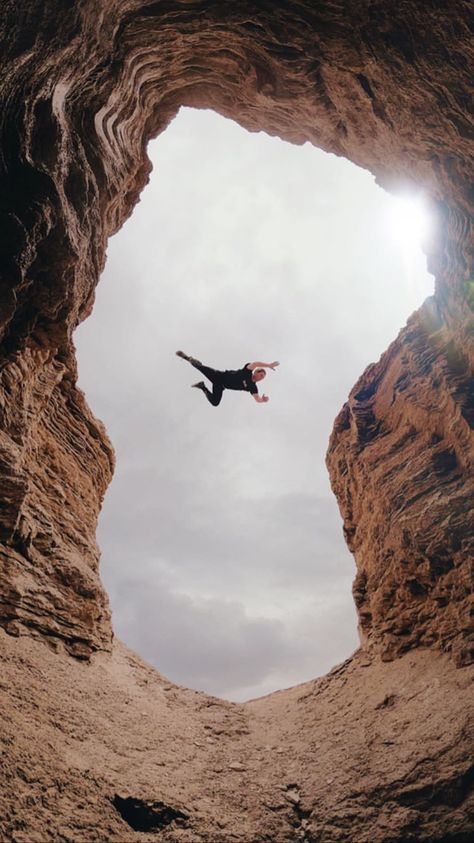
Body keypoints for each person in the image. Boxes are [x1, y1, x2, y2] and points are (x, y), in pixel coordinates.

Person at [176, 351, 279, 406]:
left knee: (215, 403)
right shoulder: (247, 371)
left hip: (220, 386)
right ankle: (187, 358)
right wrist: (269, 365)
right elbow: (256, 363)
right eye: (261, 375)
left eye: (262, 378)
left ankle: (202, 386)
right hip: (218, 375)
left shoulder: (253, 387)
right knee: (200, 367)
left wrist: (262, 400)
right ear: (256, 372)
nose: (261, 379)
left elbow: (257, 399)